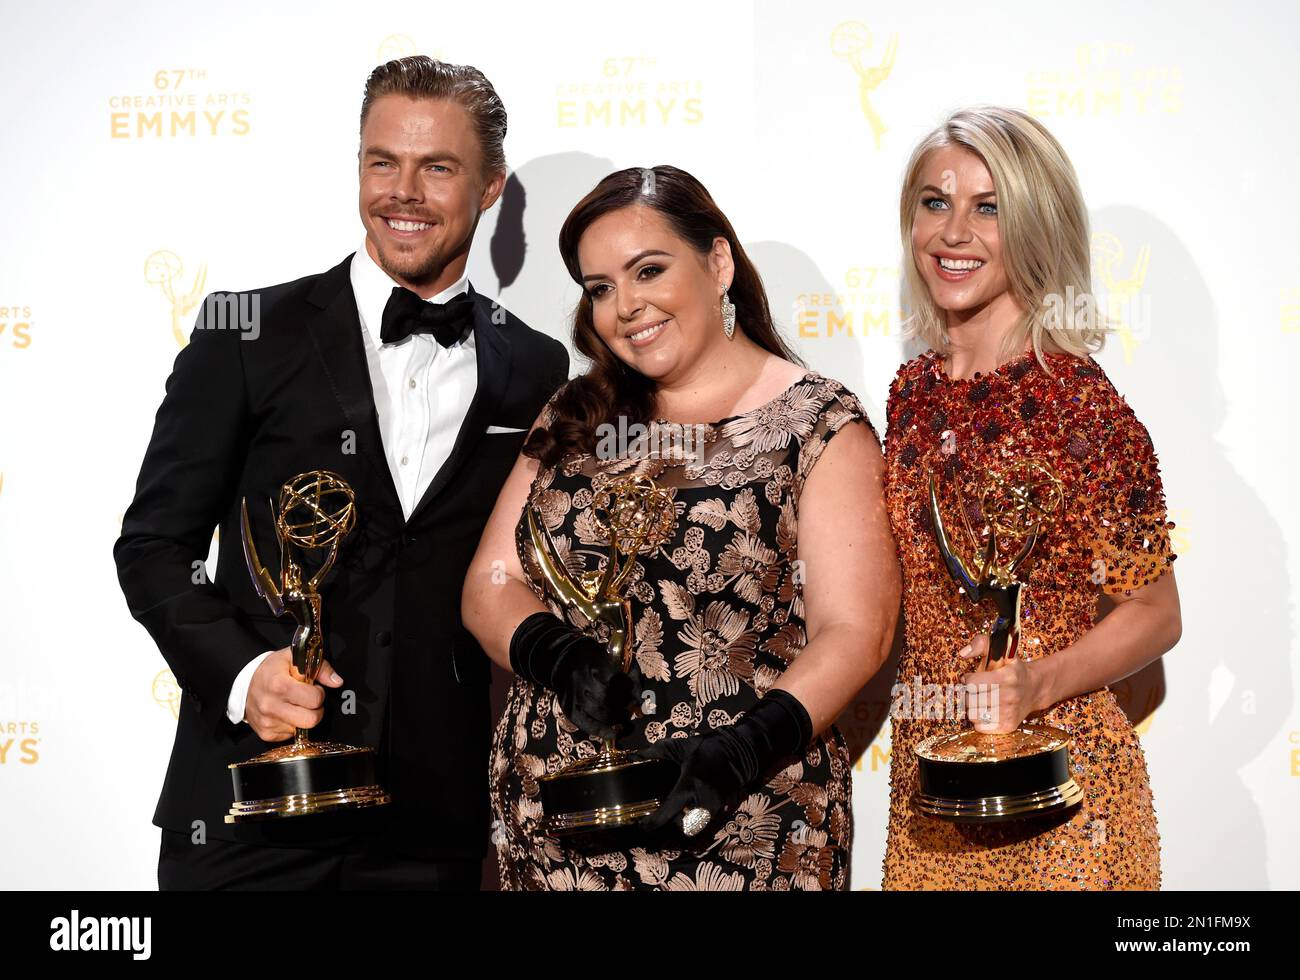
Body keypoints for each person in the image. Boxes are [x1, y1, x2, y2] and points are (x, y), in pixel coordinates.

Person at [113, 56, 568, 890]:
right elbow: (152, 546)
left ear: (492, 186)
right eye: (381, 161)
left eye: (438, 168)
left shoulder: (536, 367)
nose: (403, 192)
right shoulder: (246, 334)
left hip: (430, 824)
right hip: (254, 807)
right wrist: (245, 677)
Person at [462, 165, 901, 890]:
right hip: (557, 832)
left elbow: (857, 632)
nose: (625, 306)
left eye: (648, 270)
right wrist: (559, 656)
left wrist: (740, 753)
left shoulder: (816, 422)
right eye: (600, 288)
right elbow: (489, 580)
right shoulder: (579, 413)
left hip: (741, 828)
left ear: (718, 263)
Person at [880, 106, 1182, 889]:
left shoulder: (1081, 406)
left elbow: (1156, 613)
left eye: (990, 208)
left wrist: (1037, 680)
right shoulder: (911, 394)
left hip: (1060, 797)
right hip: (929, 795)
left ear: (1037, 225)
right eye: (934, 202)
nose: (954, 232)